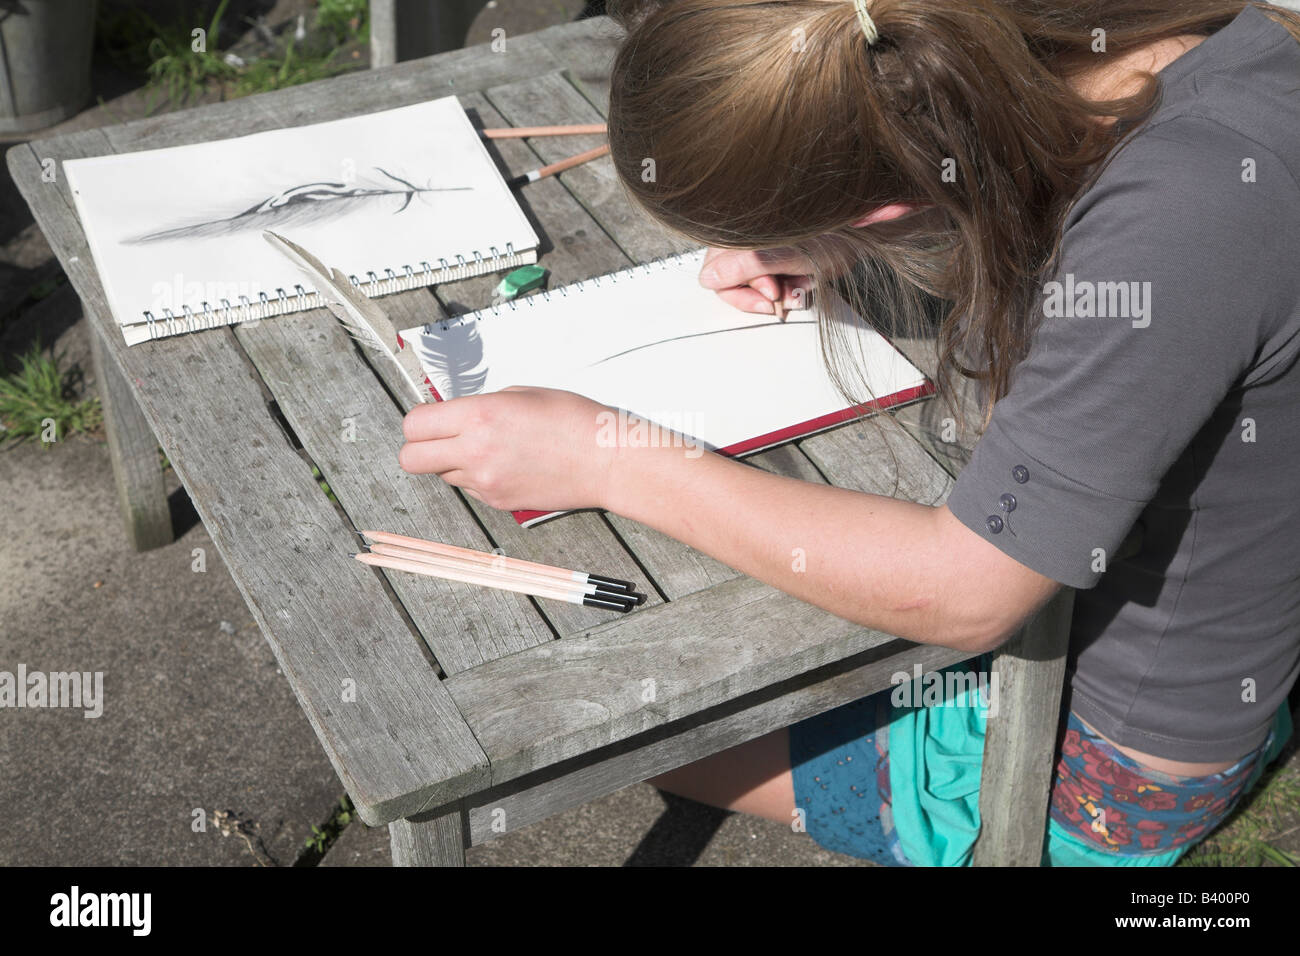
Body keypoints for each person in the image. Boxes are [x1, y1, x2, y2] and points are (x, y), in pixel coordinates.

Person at [398, 0, 1300, 865]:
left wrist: (606, 456)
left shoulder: (1188, 210)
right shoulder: (1108, 45)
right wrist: (843, 242)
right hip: (1147, 625)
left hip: (1107, 755)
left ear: (880, 203)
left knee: (578, 732)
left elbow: (968, 589)